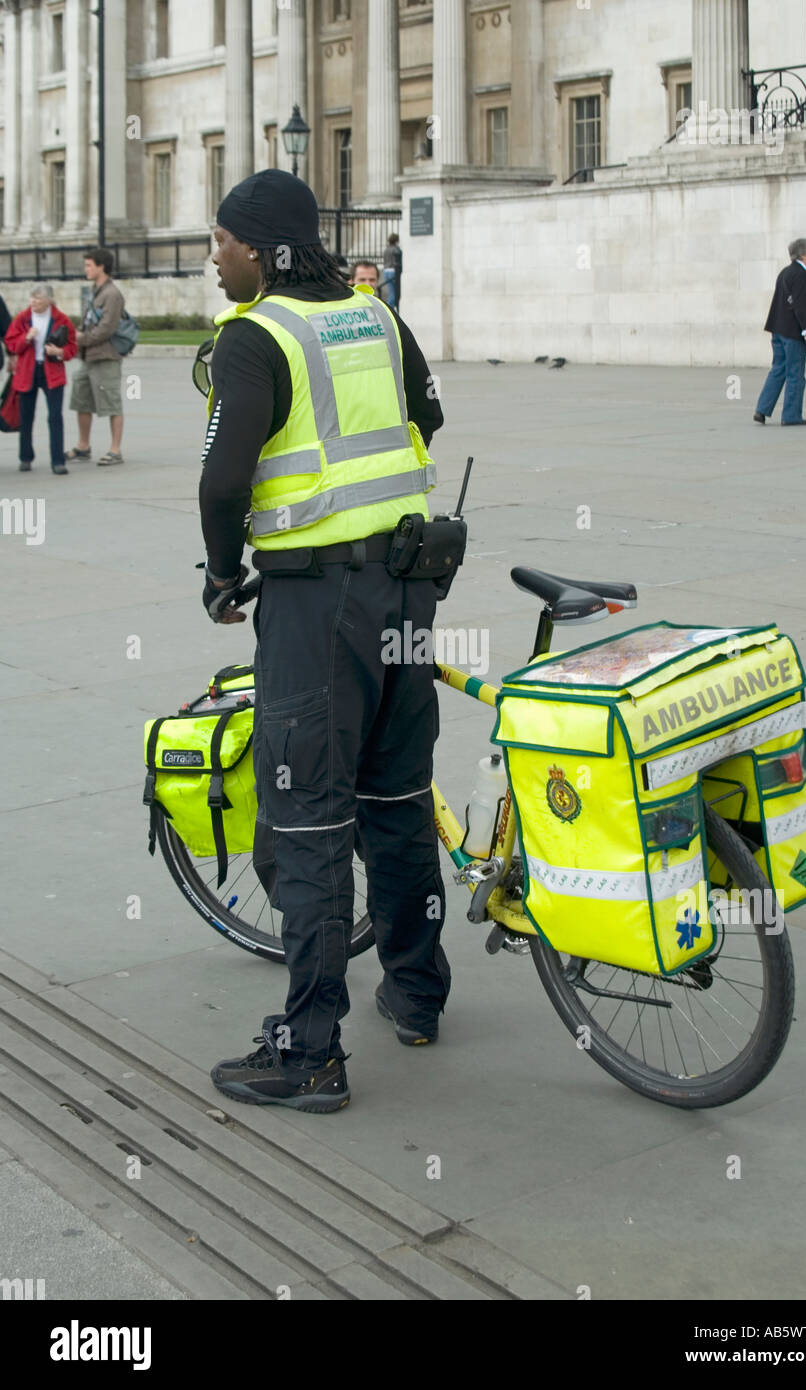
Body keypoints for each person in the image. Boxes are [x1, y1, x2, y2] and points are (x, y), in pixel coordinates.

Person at [200, 169, 447, 1111]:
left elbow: (224, 483)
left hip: (316, 608)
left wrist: (225, 576)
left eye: (222, 240)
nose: (214, 257)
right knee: (397, 793)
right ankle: (417, 994)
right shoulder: (375, 316)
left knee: (305, 816)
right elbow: (424, 418)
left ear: (259, 248)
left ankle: (309, 1052)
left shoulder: (255, 336)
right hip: (409, 589)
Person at [4, 284, 78, 474]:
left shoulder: (61, 320)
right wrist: (26, 338)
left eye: (38, 298)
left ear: (49, 301)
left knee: (55, 417)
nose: (34, 302)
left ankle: (58, 461)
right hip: (27, 371)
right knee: (26, 416)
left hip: (51, 372)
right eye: (32, 298)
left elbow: (72, 347)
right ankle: (25, 457)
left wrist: (60, 352)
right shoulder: (23, 318)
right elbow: (11, 344)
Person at [754, 238, 806, 427]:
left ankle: (762, 409)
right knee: (795, 373)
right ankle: (791, 415)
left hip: (778, 329)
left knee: (778, 369)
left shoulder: (785, 272)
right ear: (803, 254)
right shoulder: (801, 275)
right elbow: (801, 306)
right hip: (793, 332)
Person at [66, 248, 126, 465]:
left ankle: (115, 449)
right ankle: (83, 446)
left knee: (111, 403)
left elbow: (107, 328)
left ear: (102, 266)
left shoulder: (112, 294)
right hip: (88, 356)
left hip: (106, 356)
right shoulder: (94, 290)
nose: (86, 269)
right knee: (81, 400)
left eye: (89, 265)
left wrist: (79, 338)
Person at [382, 232, 402, 312]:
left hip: (386, 271)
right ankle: (389, 309)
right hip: (393, 271)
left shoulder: (386, 249)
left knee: (391, 292)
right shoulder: (396, 249)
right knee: (395, 293)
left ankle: (389, 308)